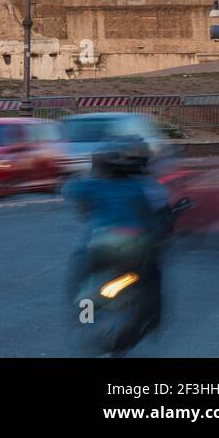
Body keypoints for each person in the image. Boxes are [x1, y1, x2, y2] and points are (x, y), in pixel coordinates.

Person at [64, 135, 174, 331]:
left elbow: (70, 190)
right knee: (152, 275)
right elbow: (164, 216)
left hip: (99, 241)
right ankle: (151, 321)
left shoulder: (94, 184)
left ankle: (83, 307)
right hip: (136, 243)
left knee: (83, 267)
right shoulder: (147, 186)